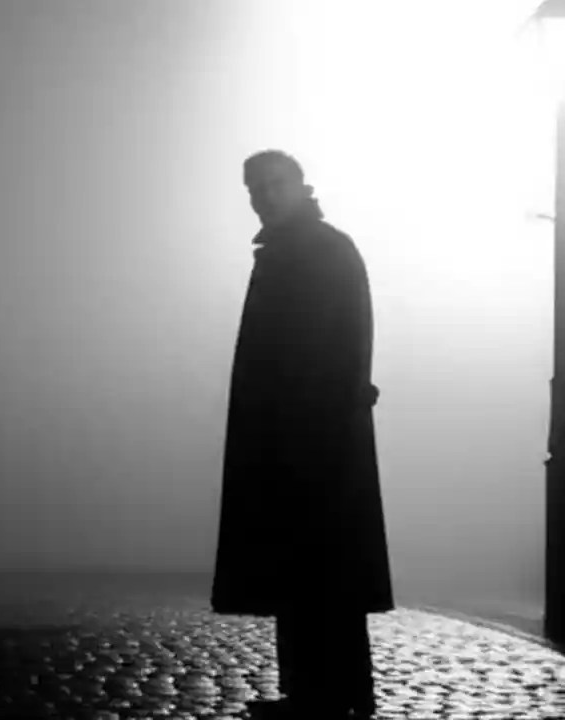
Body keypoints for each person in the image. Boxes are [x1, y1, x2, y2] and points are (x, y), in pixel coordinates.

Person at [211, 150, 394, 718]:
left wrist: (314, 423)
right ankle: (314, 691)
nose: (265, 195)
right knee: (305, 569)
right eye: (256, 188)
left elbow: (345, 344)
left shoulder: (321, 250)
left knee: (322, 570)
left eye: (275, 184)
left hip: (315, 438)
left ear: (299, 186)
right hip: (293, 435)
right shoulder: (293, 249)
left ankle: (334, 693)